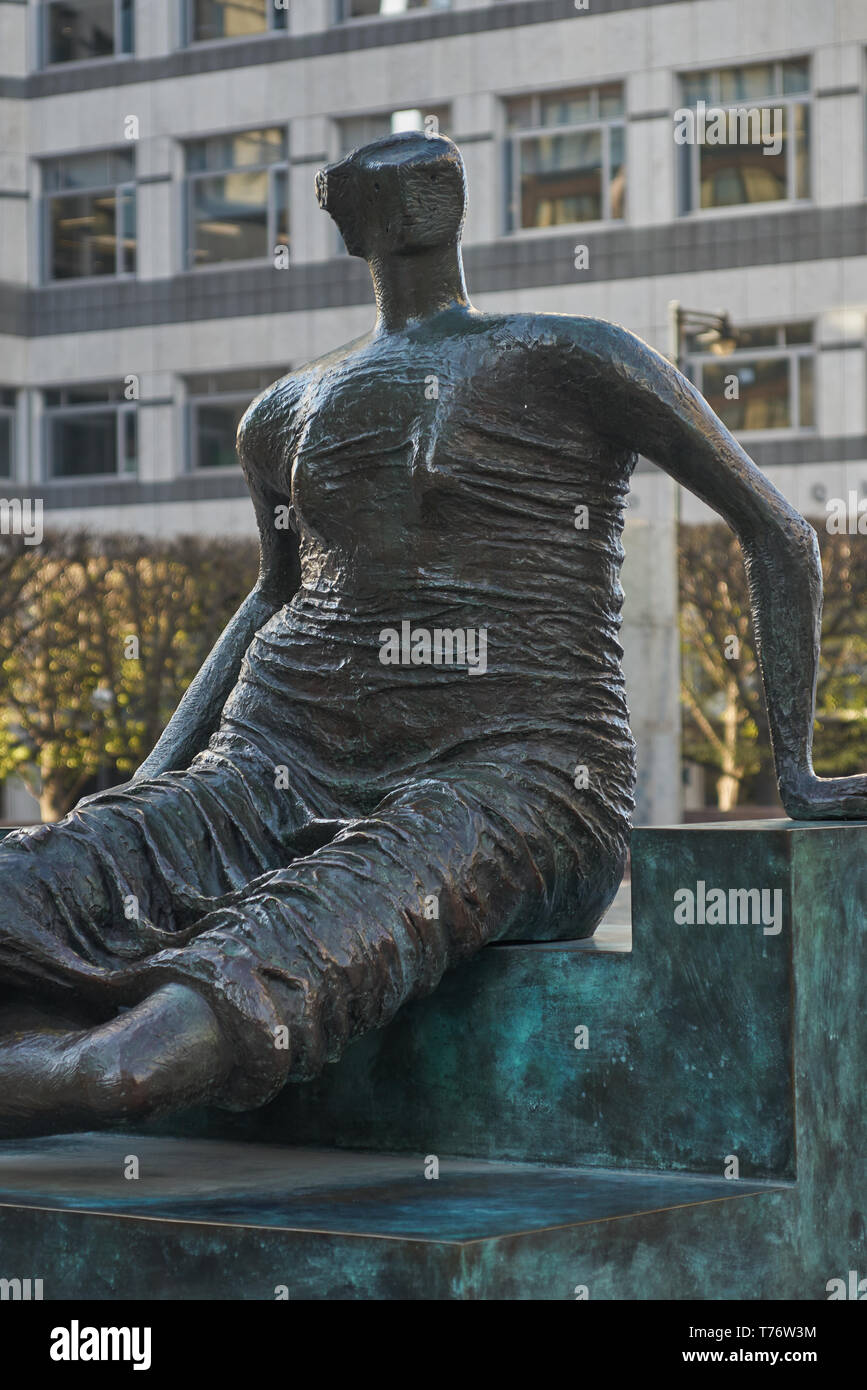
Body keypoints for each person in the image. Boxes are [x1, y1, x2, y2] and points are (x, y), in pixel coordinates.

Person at [0, 132, 862, 1137]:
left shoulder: (575, 355)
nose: (415, 198)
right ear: (347, 221)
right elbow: (274, 594)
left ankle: (67, 1073)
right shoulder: (282, 412)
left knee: (130, 1068)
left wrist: (795, 772)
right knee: (31, 880)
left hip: (522, 783)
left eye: (429, 179)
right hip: (275, 765)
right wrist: (152, 785)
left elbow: (778, 531)